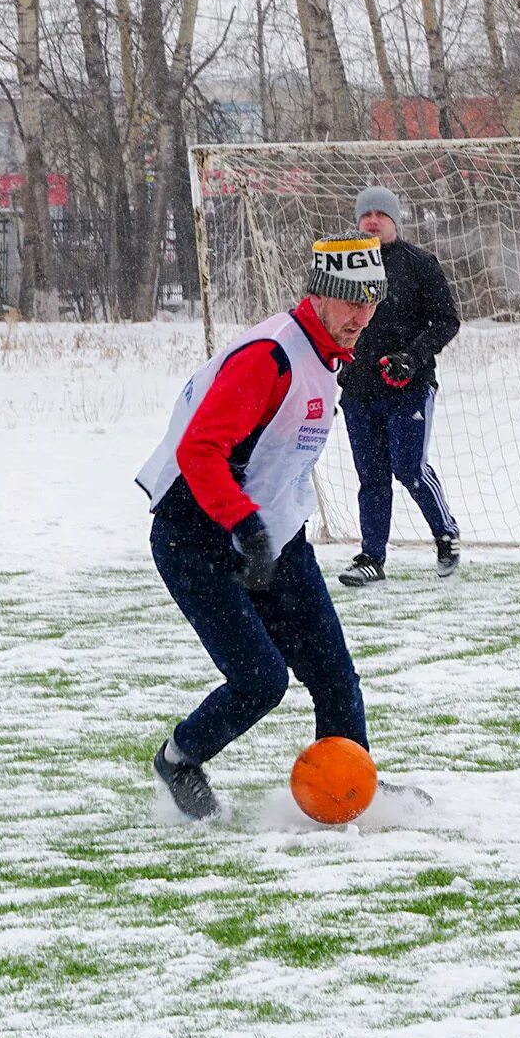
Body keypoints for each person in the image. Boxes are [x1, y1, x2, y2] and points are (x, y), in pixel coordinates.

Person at [135, 230, 388, 821]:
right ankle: (178, 759)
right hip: (194, 539)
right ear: (319, 296)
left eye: (371, 301)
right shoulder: (270, 357)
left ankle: (351, 792)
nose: (362, 315)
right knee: (260, 679)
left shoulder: (328, 356)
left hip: (272, 536)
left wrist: (264, 531)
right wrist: (243, 525)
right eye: (351, 300)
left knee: (334, 676)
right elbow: (201, 450)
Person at [335, 186, 463, 587]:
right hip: (358, 391)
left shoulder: (420, 264)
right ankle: (372, 556)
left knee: (409, 469)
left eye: (381, 214)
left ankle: (445, 534)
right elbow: (325, 317)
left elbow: (447, 321)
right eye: (366, 213)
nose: (372, 220)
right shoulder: (343, 265)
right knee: (371, 477)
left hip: (408, 387)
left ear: (395, 220)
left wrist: (412, 357)